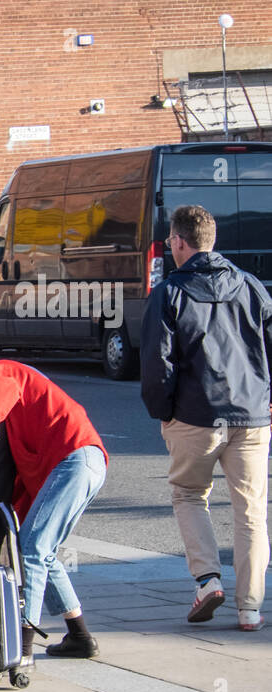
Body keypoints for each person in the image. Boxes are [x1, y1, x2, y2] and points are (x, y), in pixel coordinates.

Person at [141, 204, 272, 631]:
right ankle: (250, 607)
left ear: (179, 242)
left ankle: (207, 578)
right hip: (252, 414)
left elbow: (156, 364)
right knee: (251, 509)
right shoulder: (251, 286)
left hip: (196, 415)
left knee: (188, 494)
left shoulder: (168, 292)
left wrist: (163, 412)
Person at [0, 359, 107, 660]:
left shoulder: (0, 372)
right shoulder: (16, 413)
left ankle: (22, 646)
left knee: (33, 549)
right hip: (83, 461)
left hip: (74, 458)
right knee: (42, 552)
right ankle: (79, 635)